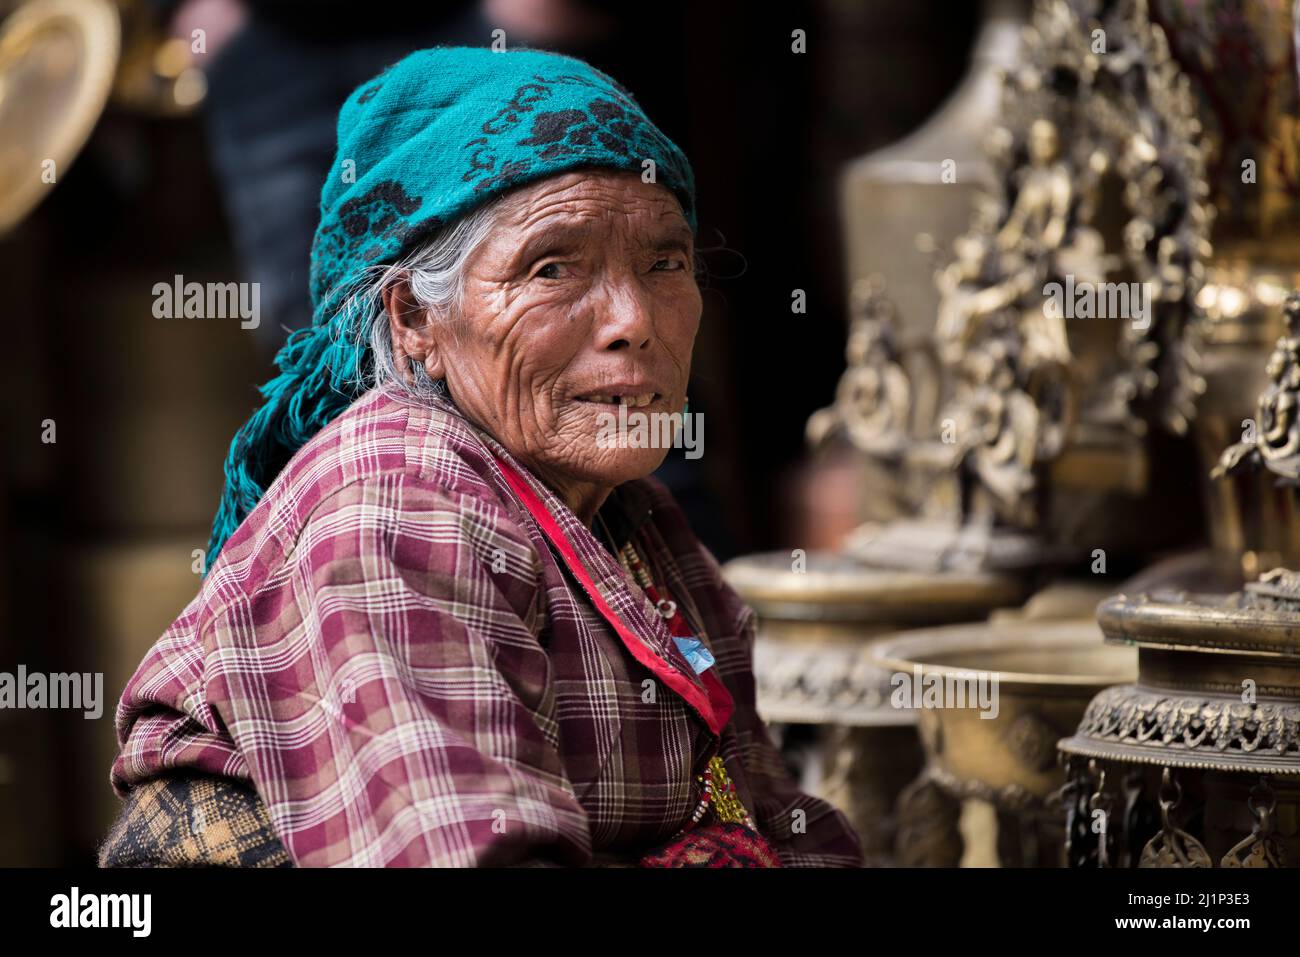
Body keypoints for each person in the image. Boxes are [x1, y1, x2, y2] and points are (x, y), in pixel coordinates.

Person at [99, 46, 865, 868]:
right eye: (553, 267)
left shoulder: (636, 524)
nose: (633, 320)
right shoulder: (394, 498)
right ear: (414, 322)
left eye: (665, 262)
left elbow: (775, 818)